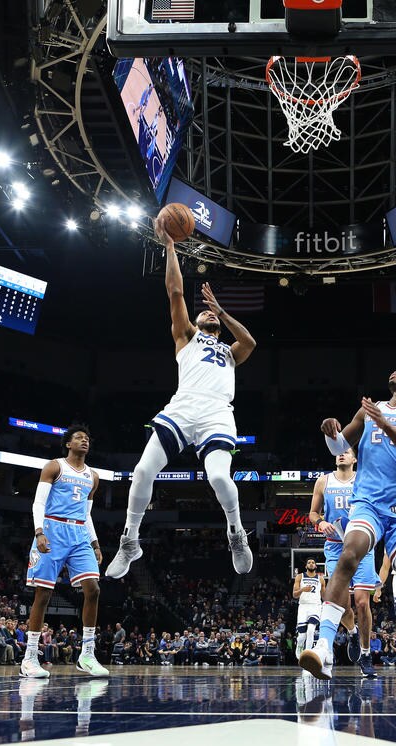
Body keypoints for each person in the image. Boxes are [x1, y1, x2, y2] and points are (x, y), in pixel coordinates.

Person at [105, 219, 257, 580]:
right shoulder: (186, 336)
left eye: (210, 314)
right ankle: (130, 540)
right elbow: (175, 293)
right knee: (142, 471)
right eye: (203, 311)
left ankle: (235, 532)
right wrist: (170, 246)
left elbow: (250, 342)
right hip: (183, 407)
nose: (205, 314)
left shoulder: (229, 351)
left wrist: (221, 311)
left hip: (218, 413)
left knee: (219, 477)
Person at [303, 369, 396, 685]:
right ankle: (324, 648)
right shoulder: (369, 408)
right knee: (348, 556)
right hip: (367, 504)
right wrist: (330, 432)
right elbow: (339, 447)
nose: (395, 371)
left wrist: (384, 422)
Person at [22, 425, 108, 679]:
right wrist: (39, 532)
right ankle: (29, 658)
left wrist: (95, 543)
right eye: (79, 438)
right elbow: (38, 502)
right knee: (43, 594)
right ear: (68, 444)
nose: (85, 441)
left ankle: (87, 655)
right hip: (52, 528)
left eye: (87, 438)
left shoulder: (93, 476)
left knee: (93, 589)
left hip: (79, 533)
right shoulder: (54, 466)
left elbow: (87, 513)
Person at [307, 448, 378, 678]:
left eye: (346, 451)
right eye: (338, 451)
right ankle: (352, 631)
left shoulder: (365, 479)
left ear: (355, 458)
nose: (341, 455)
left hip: (361, 544)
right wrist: (320, 523)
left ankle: (366, 654)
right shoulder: (323, 481)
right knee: (342, 603)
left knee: (362, 602)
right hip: (335, 545)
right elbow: (313, 514)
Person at [291, 557, 324, 662]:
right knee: (302, 636)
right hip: (303, 607)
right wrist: (302, 589)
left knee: (311, 630)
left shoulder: (321, 579)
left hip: (316, 606)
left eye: (313, 562)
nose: (311, 564)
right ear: (306, 566)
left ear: (315, 566)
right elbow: (294, 595)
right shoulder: (300, 577)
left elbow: (324, 595)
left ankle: (308, 655)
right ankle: (300, 645)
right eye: (309, 562)